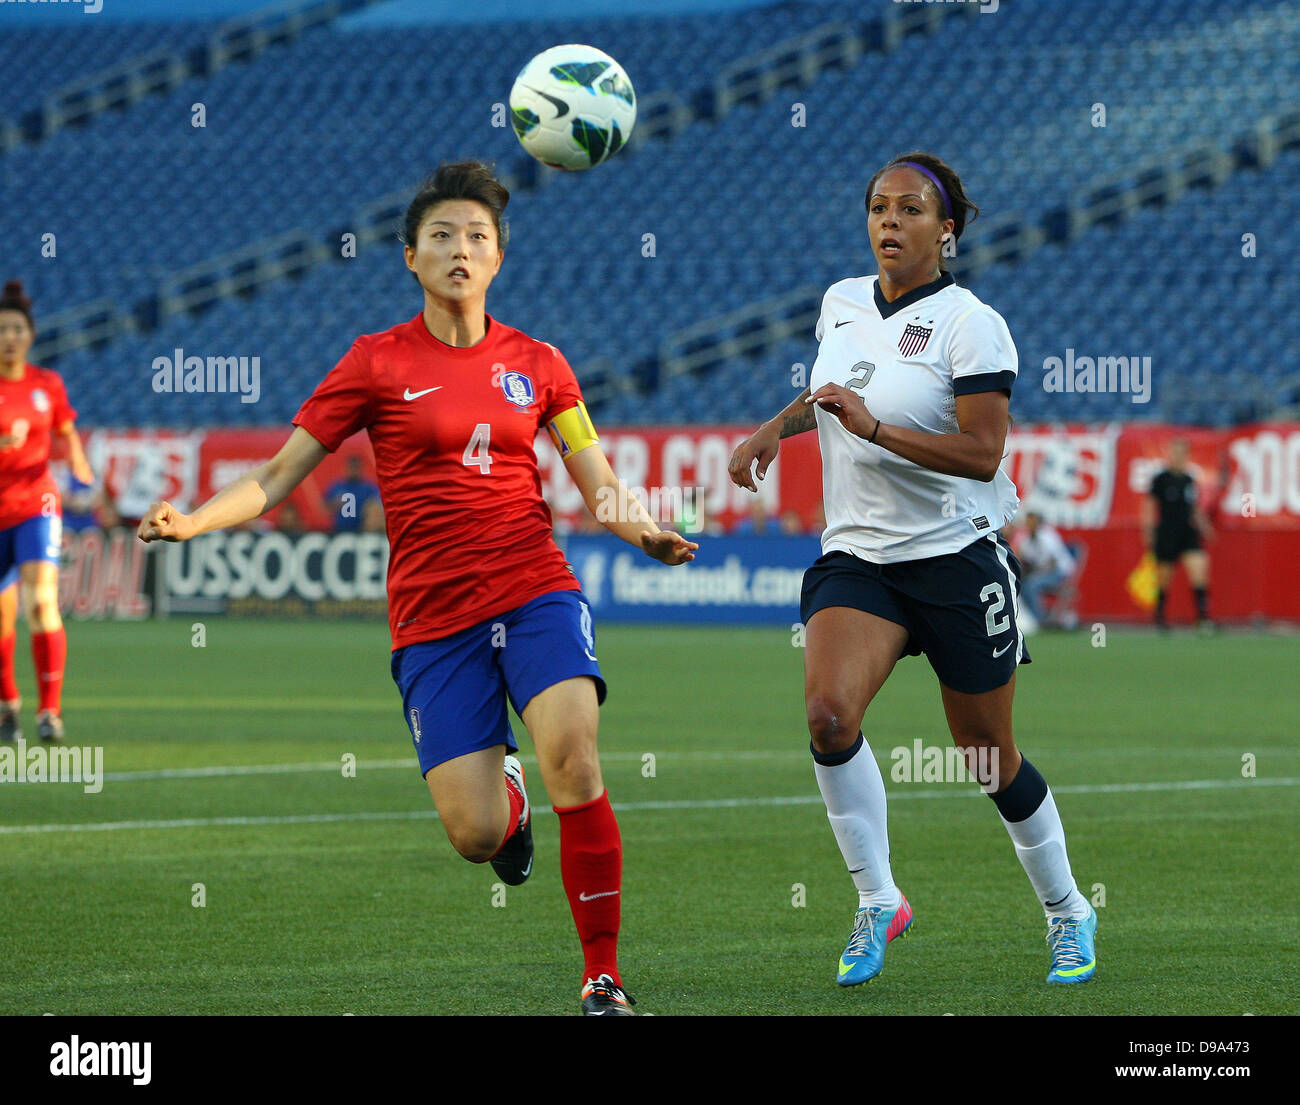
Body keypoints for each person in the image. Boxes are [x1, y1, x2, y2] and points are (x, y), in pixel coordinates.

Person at [137, 161, 697, 1016]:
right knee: (475, 835)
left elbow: (597, 482)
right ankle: (507, 800)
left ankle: (602, 978)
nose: (459, 249)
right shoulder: (374, 361)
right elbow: (282, 472)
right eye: (441, 236)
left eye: (476, 236)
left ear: (499, 256)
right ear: (409, 257)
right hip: (434, 620)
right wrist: (194, 523)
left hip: (534, 586)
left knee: (576, 757)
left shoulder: (541, 365)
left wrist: (643, 528)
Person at [729, 153, 1096, 990]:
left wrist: (877, 430)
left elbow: (982, 451)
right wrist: (769, 431)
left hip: (956, 557)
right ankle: (878, 897)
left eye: (910, 210)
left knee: (986, 757)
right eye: (877, 208)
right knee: (827, 715)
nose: (889, 221)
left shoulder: (974, 323)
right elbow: (831, 393)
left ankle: (1068, 908)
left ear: (948, 230)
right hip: (859, 556)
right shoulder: (841, 301)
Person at [0, 280, 94, 744]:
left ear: (30, 335)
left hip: (36, 503)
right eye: (2, 330)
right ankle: (8, 706)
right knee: (1, 618)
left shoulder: (46, 383)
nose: (10, 337)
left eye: (17, 328)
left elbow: (66, 427)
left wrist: (76, 458)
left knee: (40, 603)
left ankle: (50, 712)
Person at [1143, 437, 1212, 630]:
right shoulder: (1161, 479)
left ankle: (1203, 618)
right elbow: (1149, 505)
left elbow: (1194, 507)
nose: (1177, 457)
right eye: (1175, 452)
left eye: (1182, 453)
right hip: (1167, 533)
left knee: (1199, 571)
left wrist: (1204, 525)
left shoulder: (1189, 480)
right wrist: (1148, 531)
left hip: (1188, 533)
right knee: (1164, 577)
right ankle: (1160, 616)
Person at [1015, 511, 1078, 631]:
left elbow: (1053, 563)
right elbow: (1025, 560)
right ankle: (1033, 617)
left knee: (1033, 584)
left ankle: (1041, 619)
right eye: (1027, 522)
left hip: (1060, 572)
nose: (1029, 525)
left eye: (1031, 522)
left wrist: (1035, 573)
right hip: (1041, 573)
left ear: (1038, 523)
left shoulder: (1047, 535)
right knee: (1022, 584)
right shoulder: (1026, 539)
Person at [326, 454, 381, 533]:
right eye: (351, 468)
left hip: (361, 529)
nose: (353, 471)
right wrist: (334, 504)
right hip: (339, 529)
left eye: (356, 468)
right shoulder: (337, 486)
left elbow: (376, 505)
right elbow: (325, 506)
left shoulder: (368, 488)